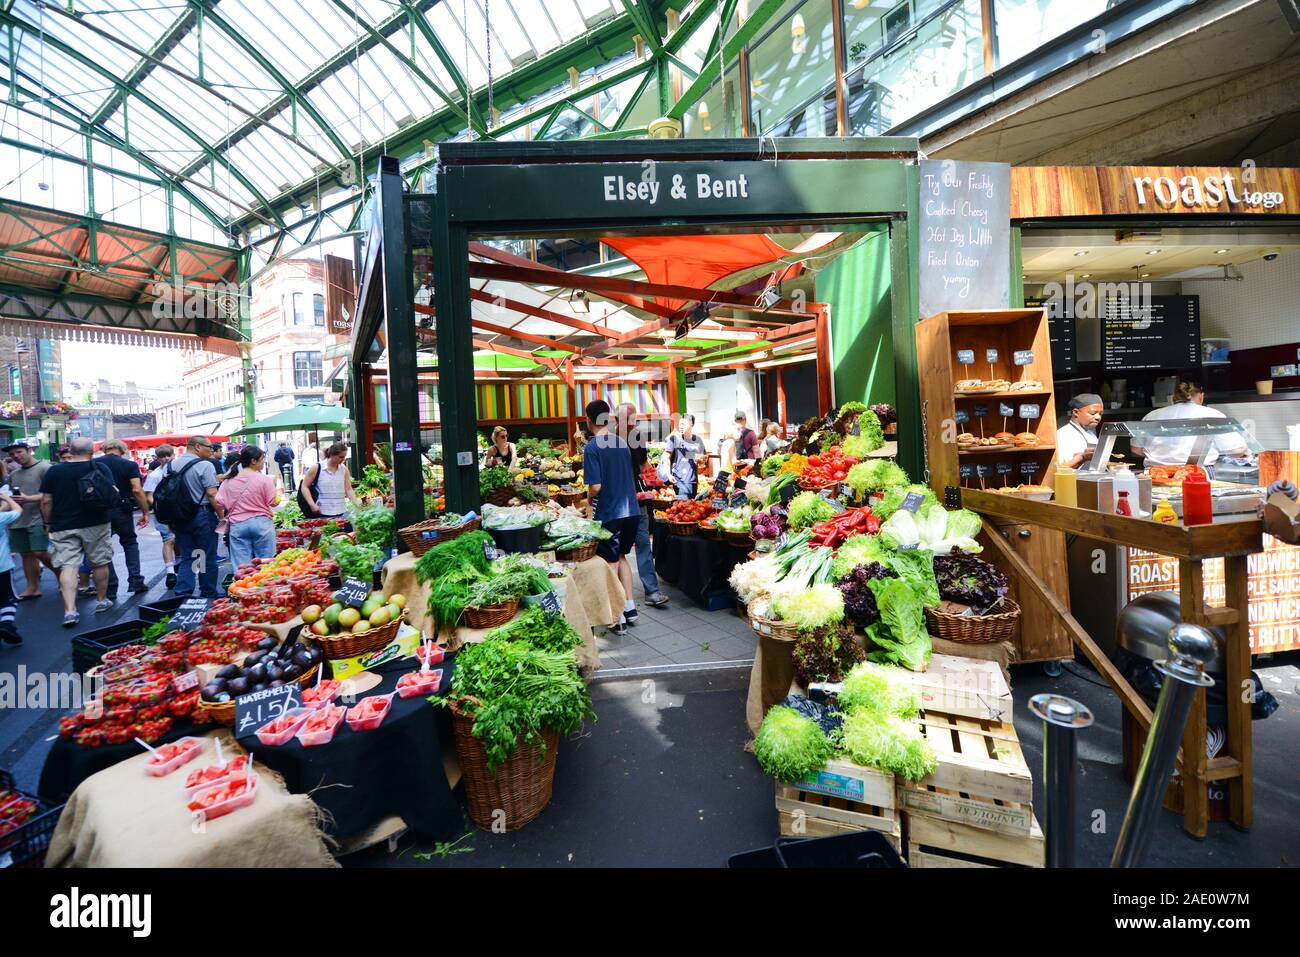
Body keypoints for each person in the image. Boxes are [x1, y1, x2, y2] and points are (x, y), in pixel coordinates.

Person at [39, 437, 116, 627]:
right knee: (99, 562)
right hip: (96, 522)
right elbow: (113, 492)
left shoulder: (55, 471)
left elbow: (46, 500)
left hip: (63, 524)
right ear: (91, 452)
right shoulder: (99, 468)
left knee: (68, 566)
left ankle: (70, 611)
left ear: (70, 451)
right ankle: (101, 600)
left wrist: (48, 522)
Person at [582, 400, 641, 635]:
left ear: (589, 420)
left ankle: (617, 618)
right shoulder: (621, 443)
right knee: (622, 556)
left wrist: (587, 497)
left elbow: (595, 486)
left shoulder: (592, 447)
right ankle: (630, 607)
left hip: (611, 512)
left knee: (611, 563)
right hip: (631, 511)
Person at [614, 403, 671, 610]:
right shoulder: (609, 440)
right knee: (618, 550)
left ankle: (652, 591)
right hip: (618, 503)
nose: (632, 421)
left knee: (644, 544)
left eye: (633, 417)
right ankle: (619, 594)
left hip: (638, 499)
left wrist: (655, 479)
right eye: (629, 417)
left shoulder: (636, 437)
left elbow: (643, 465)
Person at [1130, 380, 1249, 472]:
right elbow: (1237, 450)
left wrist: (1163, 457)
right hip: (1196, 475)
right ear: (1201, 396)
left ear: (1173, 397)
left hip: (1155, 473)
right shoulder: (1212, 414)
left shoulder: (1152, 415)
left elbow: (1136, 449)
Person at [161, 436, 226, 599]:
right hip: (202, 514)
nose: (211, 450)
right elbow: (212, 493)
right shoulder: (205, 465)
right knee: (206, 554)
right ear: (197, 447)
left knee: (189, 554)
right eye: (209, 447)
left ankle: (183, 592)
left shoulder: (170, 465)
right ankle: (207, 591)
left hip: (179, 516)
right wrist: (221, 516)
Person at [98, 439, 152, 597]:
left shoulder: (94, 464)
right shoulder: (129, 465)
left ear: (105, 449)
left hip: (100, 510)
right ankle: (135, 580)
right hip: (122, 509)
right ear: (122, 450)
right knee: (129, 543)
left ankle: (111, 586)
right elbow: (136, 489)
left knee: (103, 547)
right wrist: (145, 511)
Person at [4, 442, 54, 599]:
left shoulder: (45, 468)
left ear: (29, 450)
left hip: (39, 517)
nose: (16, 456)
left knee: (39, 551)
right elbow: (11, 498)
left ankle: (64, 575)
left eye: (19, 452)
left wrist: (28, 499)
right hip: (19, 519)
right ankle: (33, 588)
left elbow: (52, 494)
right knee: (26, 554)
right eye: (12, 454)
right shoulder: (14, 474)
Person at [217, 446, 279, 569]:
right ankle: (264, 587)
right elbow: (273, 502)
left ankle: (243, 587)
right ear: (253, 461)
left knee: (242, 567)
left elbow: (220, 502)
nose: (263, 462)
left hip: (238, 525)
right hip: (262, 524)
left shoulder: (228, 481)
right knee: (266, 564)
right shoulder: (265, 480)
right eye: (262, 459)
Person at [143, 444, 178, 589]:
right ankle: (171, 571)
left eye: (168, 455)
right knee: (169, 540)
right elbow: (149, 496)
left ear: (173, 455)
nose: (166, 458)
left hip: (177, 512)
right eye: (162, 456)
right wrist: (162, 506)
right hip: (164, 514)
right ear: (157, 458)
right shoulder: (155, 475)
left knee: (178, 540)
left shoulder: (178, 471)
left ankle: (179, 568)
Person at [299, 442, 361, 518]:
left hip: (341, 511)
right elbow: (304, 486)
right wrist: (312, 504)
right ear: (332, 455)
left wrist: (356, 503)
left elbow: (348, 489)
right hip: (321, 512)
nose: (343, 459)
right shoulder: (317, 468)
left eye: (344, 457)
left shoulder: (344, 469)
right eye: (341, 457)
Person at [1056, 394, 1104, 469]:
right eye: (1092, 413)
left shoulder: (1091, 434)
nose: (1098, 417)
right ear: (1076, 412)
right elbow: (1060, 468)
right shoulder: (1062, 435)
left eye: (1100, 414)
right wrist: (1082, 457)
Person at [665, 413, 707, 498]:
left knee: (691, 507)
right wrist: (668, 475)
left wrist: (701, 459)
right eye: (680, 424)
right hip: (680, 480)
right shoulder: (674, 439)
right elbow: (666, 457)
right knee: (683, 505)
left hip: (693, 481)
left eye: (684, 424)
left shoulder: (698, 440)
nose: (681, 426)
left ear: (691, 425)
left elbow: (704, 457)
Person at [0, 490, 22, 645]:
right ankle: (6, 624)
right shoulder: (1, 518)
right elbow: (18, 511)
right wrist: (6, 498)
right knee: (10, 598)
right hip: (3, 566)